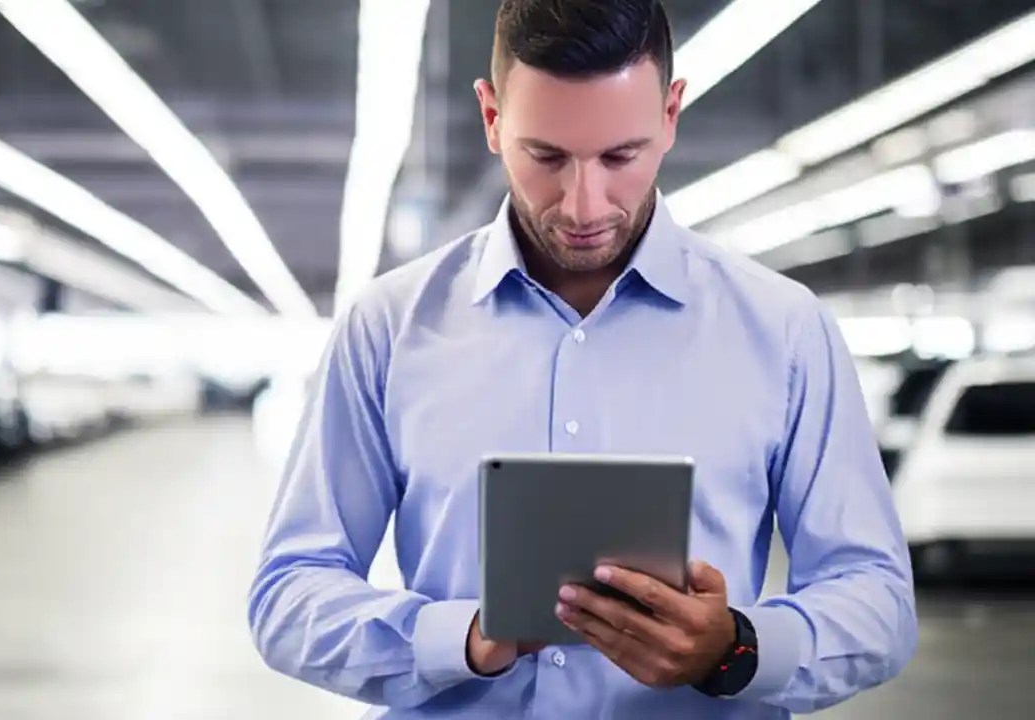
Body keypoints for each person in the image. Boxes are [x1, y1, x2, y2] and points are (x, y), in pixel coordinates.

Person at [247, 0, 918, 716]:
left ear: (670, 112)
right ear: (491, 116)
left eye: (619, 157)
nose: (583, 203)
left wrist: (735, 648)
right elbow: (290, 593)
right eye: (547, 157)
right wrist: (458, 638)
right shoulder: (386, 328)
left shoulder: (784, 331)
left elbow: (876, 598)